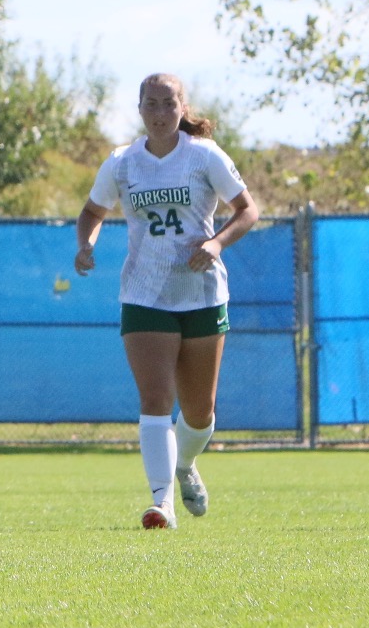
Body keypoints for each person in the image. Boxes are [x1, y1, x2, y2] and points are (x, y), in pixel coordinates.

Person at [74, 73, 259, 529]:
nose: (159, 113)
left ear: (182, 108)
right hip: (144, 294)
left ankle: (184, 462)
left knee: (199, 413)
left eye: (168, 104)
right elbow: (91, 213)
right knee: (155, 397)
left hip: (201, 293)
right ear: (140, 108)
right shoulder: (122, 163)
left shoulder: (203, 155)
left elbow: (248, 210)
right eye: (150, 104)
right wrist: (87, 243)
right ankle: (163, 503)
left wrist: (214, 245)